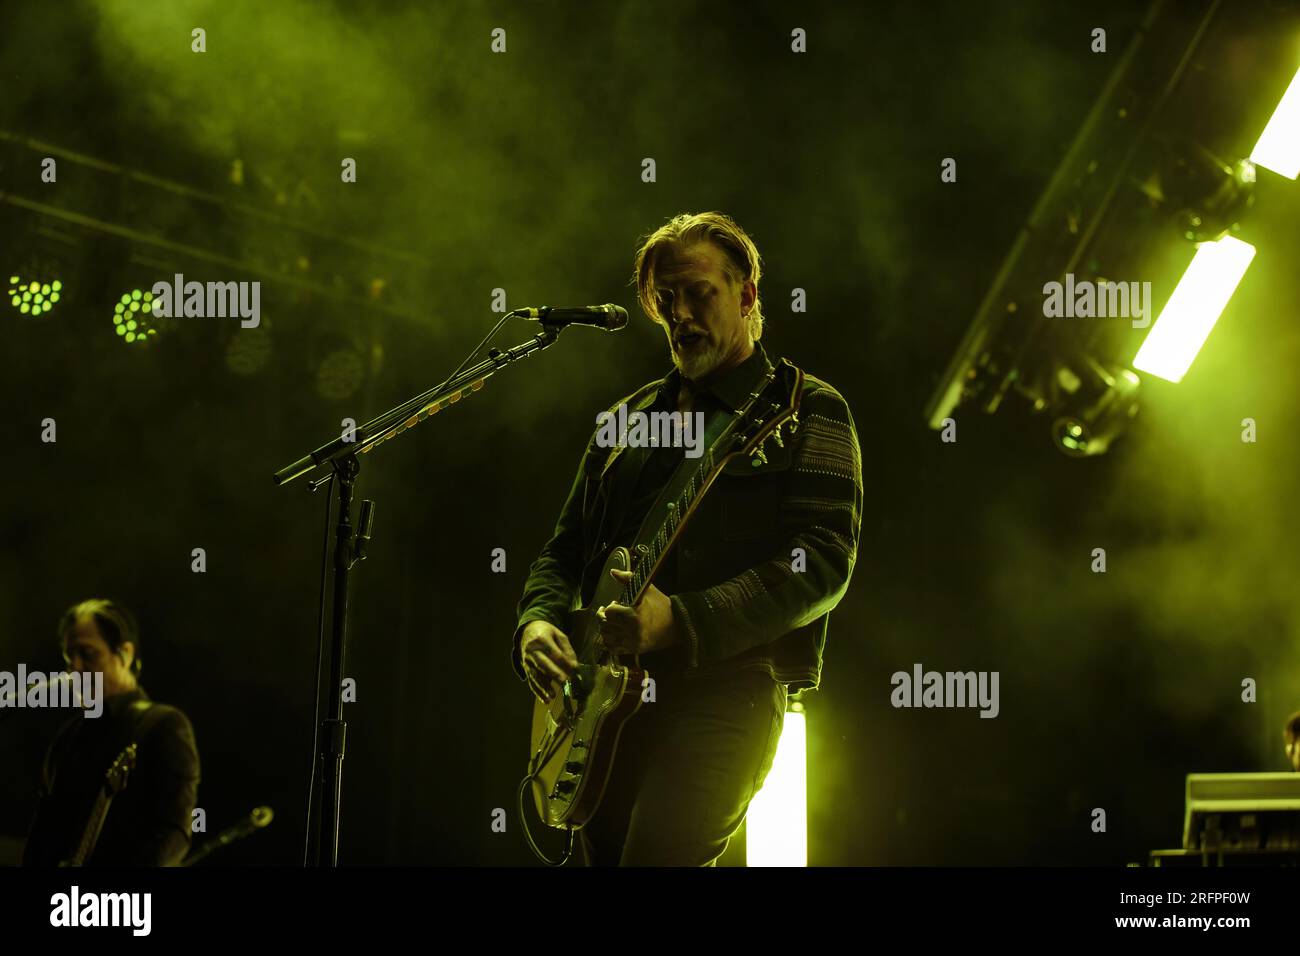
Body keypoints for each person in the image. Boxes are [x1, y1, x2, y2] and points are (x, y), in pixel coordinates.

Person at [511, 211, 863, 865]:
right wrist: (536, 622)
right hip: (605, 703)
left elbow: (822, 560)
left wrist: (682, 619)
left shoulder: (808, 408)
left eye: (699, 292)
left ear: (747, 295)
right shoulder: (625, 423)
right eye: (665, 299)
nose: (681, 314)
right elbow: (563, 550)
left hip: (728, 689)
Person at [23, 599, 200, 866]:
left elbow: (173, 832)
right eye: (69, 656)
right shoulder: (68, 736)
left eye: (88, 653)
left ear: (125, 654)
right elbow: (42, 834)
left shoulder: (163, 726)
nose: (75, 668)